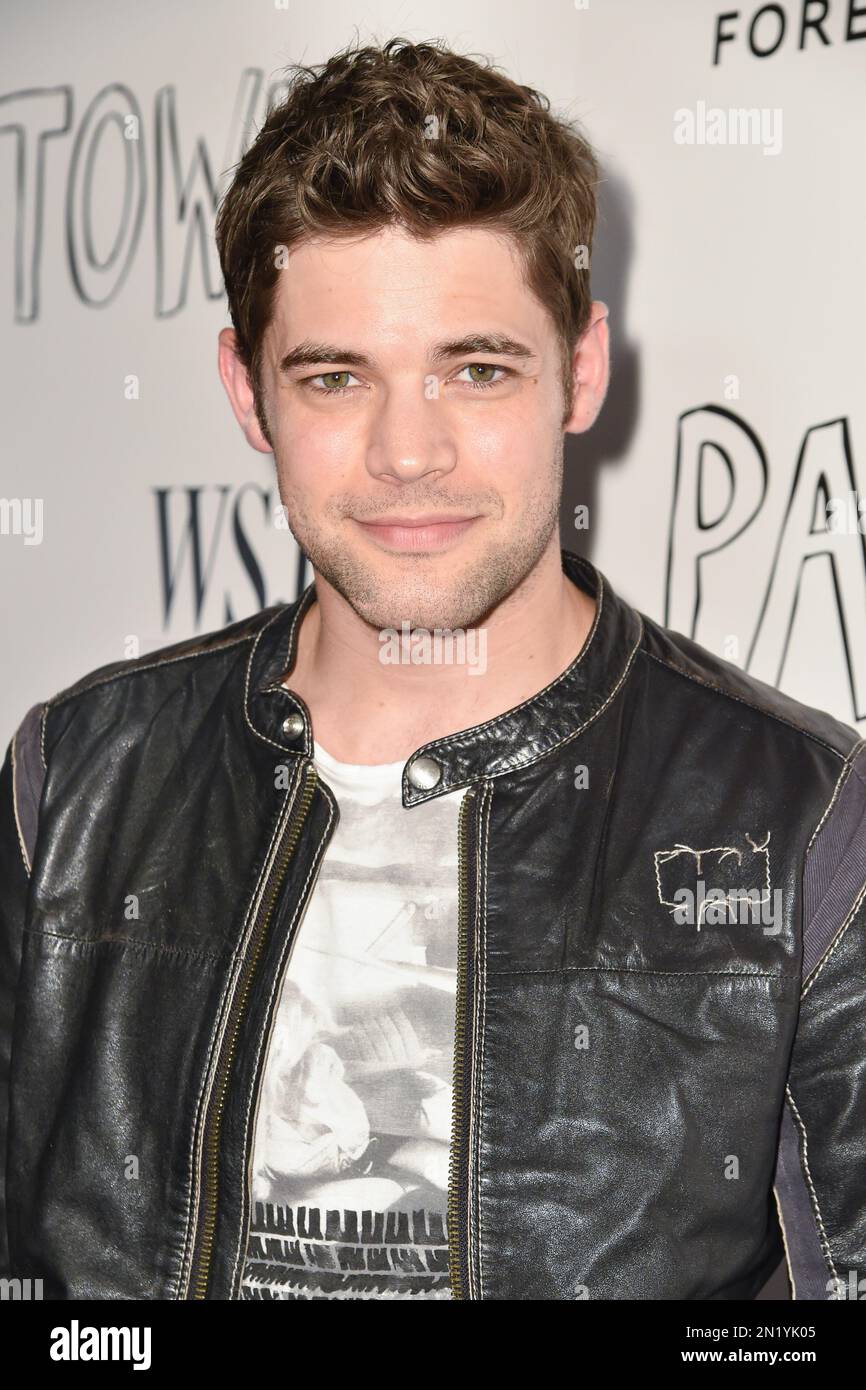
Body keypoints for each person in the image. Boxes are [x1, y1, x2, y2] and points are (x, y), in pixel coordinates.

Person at [1, 36, 863, 1302]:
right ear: (249, 393)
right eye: (336, 376)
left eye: (474, 368)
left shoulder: (805, 822)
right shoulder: (66, 788)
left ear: (579, 369)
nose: (409, 453)